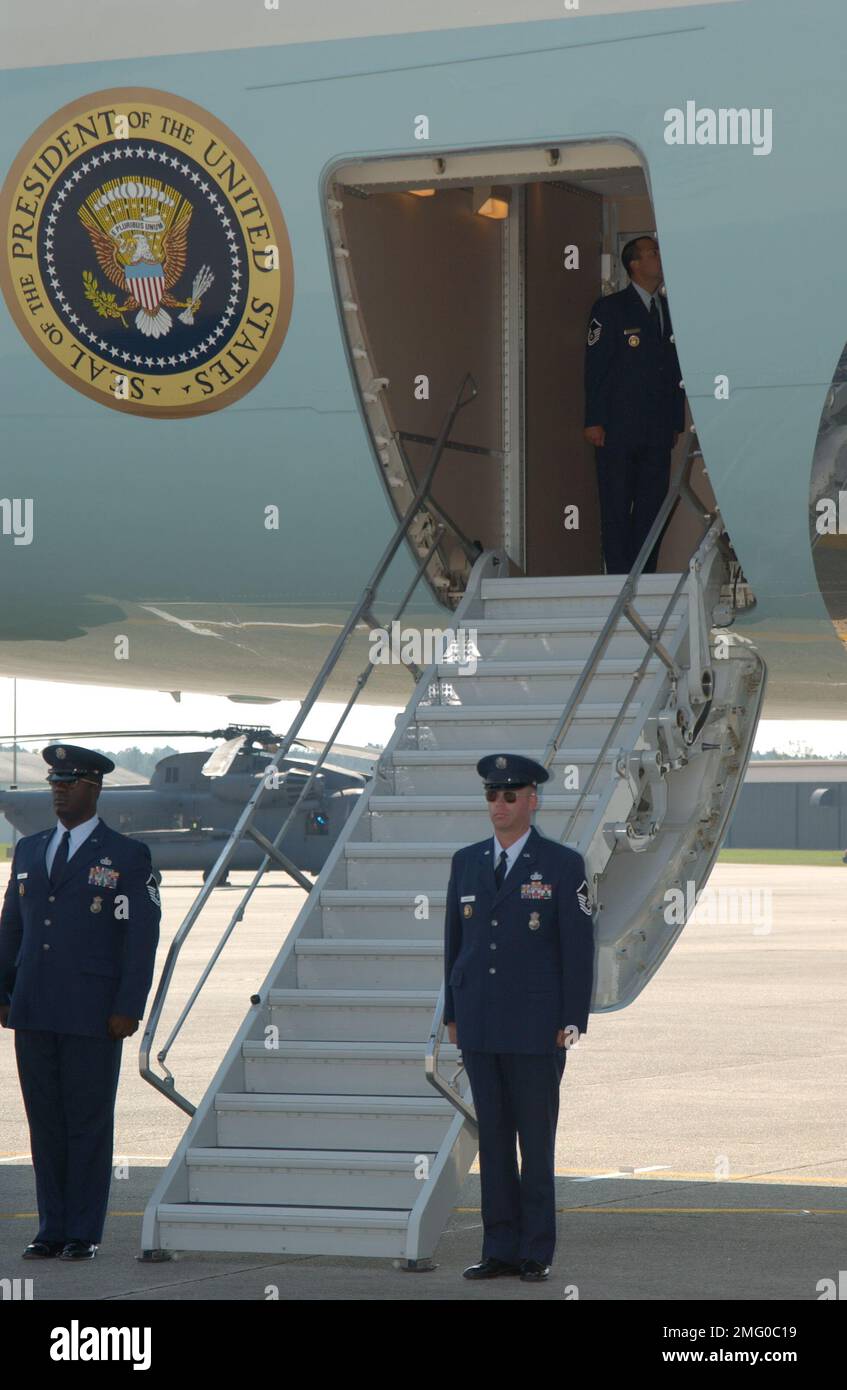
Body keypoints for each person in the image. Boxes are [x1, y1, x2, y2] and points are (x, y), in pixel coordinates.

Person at [0, 744, 161, 1261]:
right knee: (44, 1121)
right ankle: (51, 1228)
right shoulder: (30, 850)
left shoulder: (127, 856)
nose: (60, 791)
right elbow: (12, 929)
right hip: (34, 1007)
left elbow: (141, 938)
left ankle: (82, 1232)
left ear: (94, 789)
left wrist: (129, 1005)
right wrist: (3, 992)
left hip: (94, 1011)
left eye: (69, 783)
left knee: (87, 1121)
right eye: (54, 783)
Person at [443, 754, 595, 1282]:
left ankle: (535, 1252)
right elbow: (455, 946)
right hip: (481, 1024)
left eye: (510, 796)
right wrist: (452, 1014)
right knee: (495, 1143)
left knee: (535, 1142)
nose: (499, 805)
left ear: (533, 801)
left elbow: (578, 950)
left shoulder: (561, 865)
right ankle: (499, 1249)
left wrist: (574, 1017)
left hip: (536, 1028)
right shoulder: (466, 861)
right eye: (491, 795)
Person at [583, 235, 686, 575]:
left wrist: (675, 422)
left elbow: (674, 371)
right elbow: (596, 368)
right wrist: (594, 420)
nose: (661, 258)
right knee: (616, 505)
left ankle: (644, 579)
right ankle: (617, 580)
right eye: (654, 253)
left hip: (656, 432)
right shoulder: (610, 309)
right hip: (617, 429)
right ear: (634, 264)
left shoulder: (669, 312)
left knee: (652, 508)